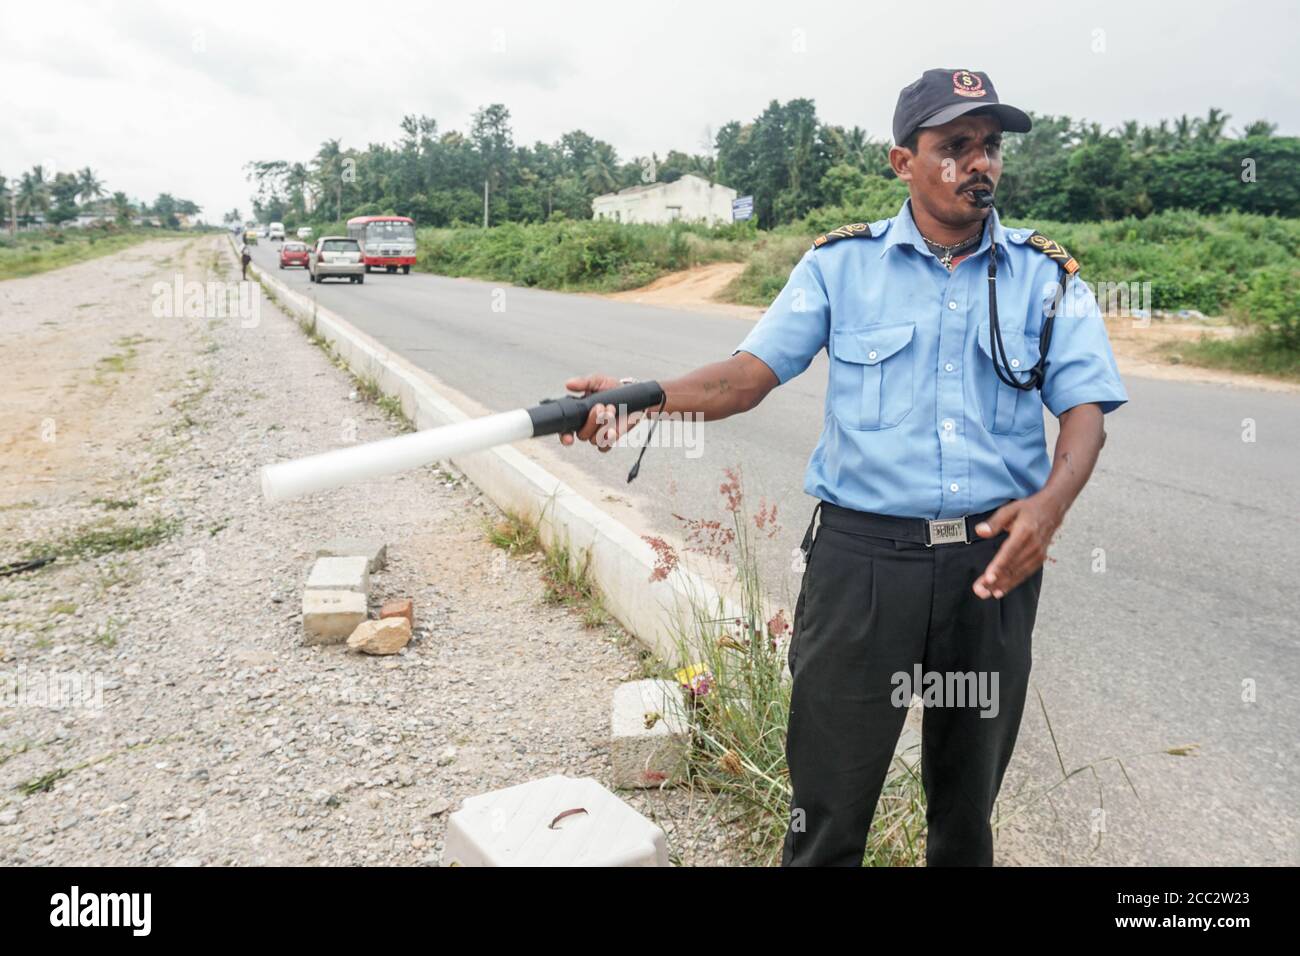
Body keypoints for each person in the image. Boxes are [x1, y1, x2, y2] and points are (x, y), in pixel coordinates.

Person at [559, 67, 1127, 866]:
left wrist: (1051, 506)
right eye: (954, 146)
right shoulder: (839, 267)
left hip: (993, 564)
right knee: (828, 807)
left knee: (966, 816)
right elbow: (743, 378)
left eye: (991, 147)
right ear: (903, 162)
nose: (979, 164)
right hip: (863, 566)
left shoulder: (1044, 275)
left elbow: (1085, 412)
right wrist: (639, 397)